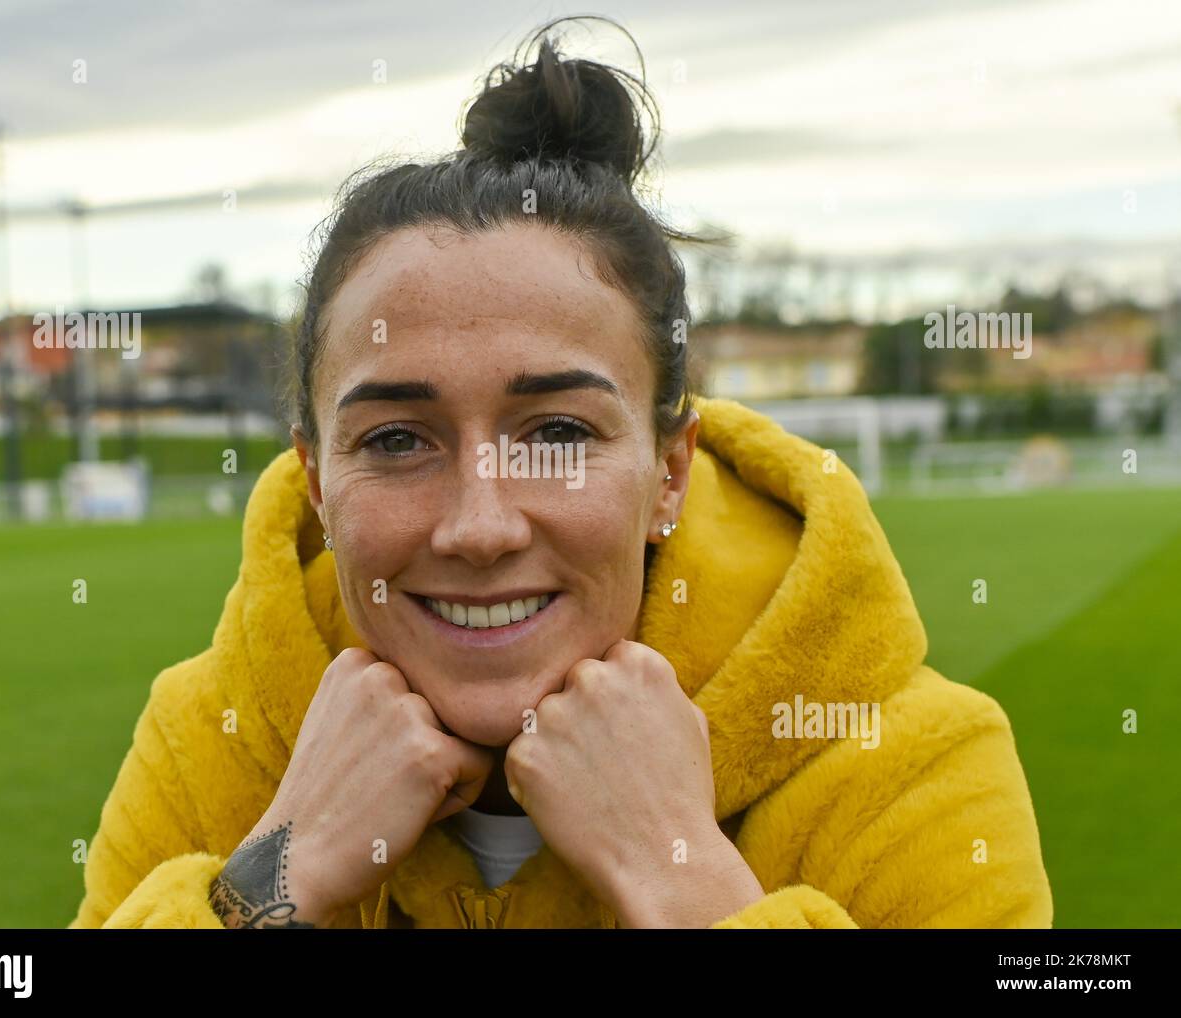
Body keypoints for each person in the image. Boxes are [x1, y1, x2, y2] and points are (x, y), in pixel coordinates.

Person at [69, 16, 1053, 930]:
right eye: (398, 441)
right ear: (318, 482)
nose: (479, 526)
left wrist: (679, 878)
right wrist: (277, 879)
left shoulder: (912, 761)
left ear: (669, 471)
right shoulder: (212, 738)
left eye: (557, 432)